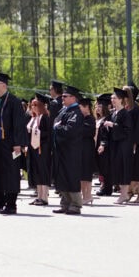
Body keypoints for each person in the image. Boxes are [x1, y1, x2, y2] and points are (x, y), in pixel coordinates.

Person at [0, 72, 28, 214]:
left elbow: (19, 124)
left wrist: (18, 144)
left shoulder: (13, 102)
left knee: (10, 172)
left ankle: (11, 204)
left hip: (10, 145)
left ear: (3, 85)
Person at [51, 86, 93, 214]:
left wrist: (58, 127)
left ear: (73, 98)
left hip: (71, 151)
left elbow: (71, 130)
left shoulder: (76, 112)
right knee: (62, 177)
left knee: (71, 177)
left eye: (65, 96)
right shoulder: (64, 110)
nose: (62, 98)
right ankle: (65, 203)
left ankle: (75, 204)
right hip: (61, 149)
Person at [104, 87, 133, 204]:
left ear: (121, 100)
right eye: (111, 98)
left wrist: (113, 125)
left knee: (123, 169)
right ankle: (123, 193)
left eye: (115, 98)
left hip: (123, 146)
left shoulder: (125, 114)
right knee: (117, 169)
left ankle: (124, 194)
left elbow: (127, 130)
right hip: (115, 145)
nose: (112, 100)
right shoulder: (114, 113)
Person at [26, 94, 52, 206]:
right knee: (36, 172)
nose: (33, 107)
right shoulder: (33, 118)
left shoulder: (45, 117)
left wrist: (37, 133)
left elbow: (48, 133)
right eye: (32, 105)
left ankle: (44, 197)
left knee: (43, 172)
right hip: (33, 149)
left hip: (43, 149)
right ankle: (38, 196)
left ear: (41, 106)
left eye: (35, 105)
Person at [94, 94, 113, 196]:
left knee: (106, 168)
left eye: (100, 106)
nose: (97, 108)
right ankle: (103, 185)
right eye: (97, 106)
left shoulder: (108, 119)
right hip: (96, 146)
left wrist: (103, 144)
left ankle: (107, 188)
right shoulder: (97, 119)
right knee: (101, 168)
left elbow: (106, 135)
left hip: (104, 147)